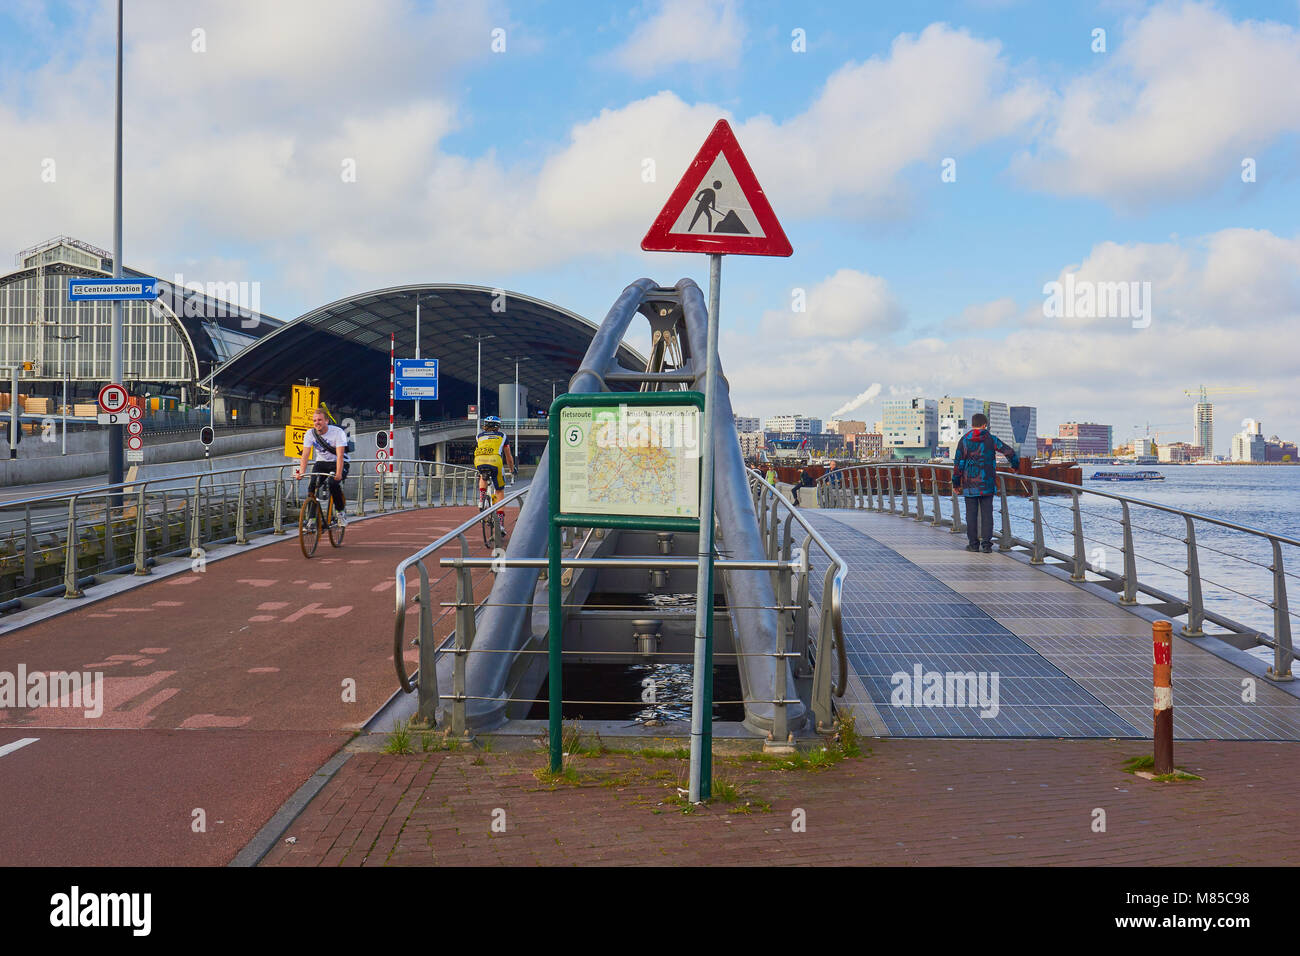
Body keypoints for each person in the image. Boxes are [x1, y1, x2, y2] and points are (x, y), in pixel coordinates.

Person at [952, 413, 1020, 553]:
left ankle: (973, 544)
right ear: (985, 425)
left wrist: (956, 484)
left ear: (972, 425)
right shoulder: (991, 438)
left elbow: (958, 464)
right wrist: (1015, 465)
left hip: (970, 484)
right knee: (987, 514)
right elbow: (1009, 451)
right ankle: (987, 545)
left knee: (971, 515)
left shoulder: (964, 440)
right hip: (987, 483)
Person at [293, 407, 349, 528]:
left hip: (338, 462)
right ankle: (312, 518)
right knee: (312, 486)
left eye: (319, 420)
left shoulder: (338, 432)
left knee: (333, 483)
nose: (316, 423)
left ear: (326, 421)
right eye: (314, 420)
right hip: (321, 463)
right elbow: (305, 455)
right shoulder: (310, 434)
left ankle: (340, 512)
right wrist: (301, 472)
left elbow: (340, 455)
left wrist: (338, 474)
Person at [473, 416, 517, 522]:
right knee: (499, 491)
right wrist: (512, 470)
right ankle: (500, 522)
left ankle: (481, 498)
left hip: (479, 460)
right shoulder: (502, 436)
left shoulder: (479, 436)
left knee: (482, 476)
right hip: (495, 461)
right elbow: (508, 457)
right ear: (498, 426)